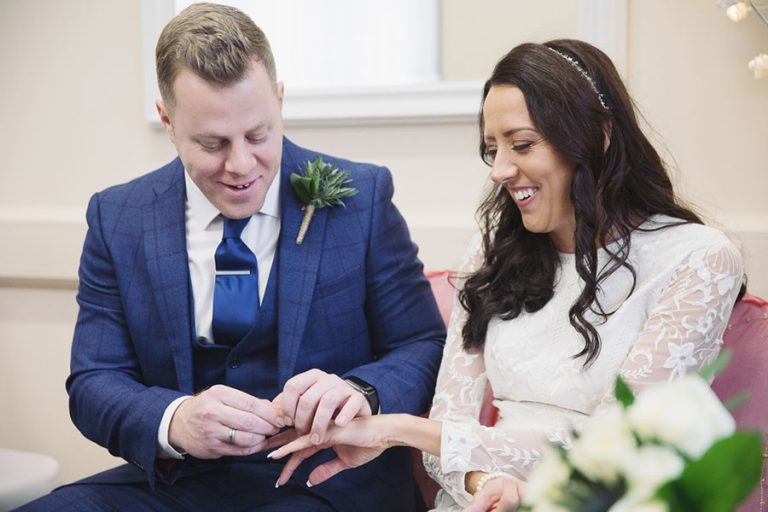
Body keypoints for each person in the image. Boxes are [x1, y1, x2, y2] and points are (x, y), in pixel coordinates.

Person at [266, 39, 744, 511]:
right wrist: (485, 484)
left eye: (522, 145)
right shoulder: (495, 253)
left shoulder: (698, 260)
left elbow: (617, 454)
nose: (499, 170)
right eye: (492, 148)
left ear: (597, 136)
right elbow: (448, 429)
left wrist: (395, 429)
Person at [19, 3, 445, 511]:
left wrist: (361, 392)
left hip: (324, 481)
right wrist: (174, 420)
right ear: (168, 121)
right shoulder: (118, 218)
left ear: (280, 101)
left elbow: (422, 343)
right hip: (176, 483)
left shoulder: (362, 197)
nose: (241, 165)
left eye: (259, 135)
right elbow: (93, 381)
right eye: (213, 143)